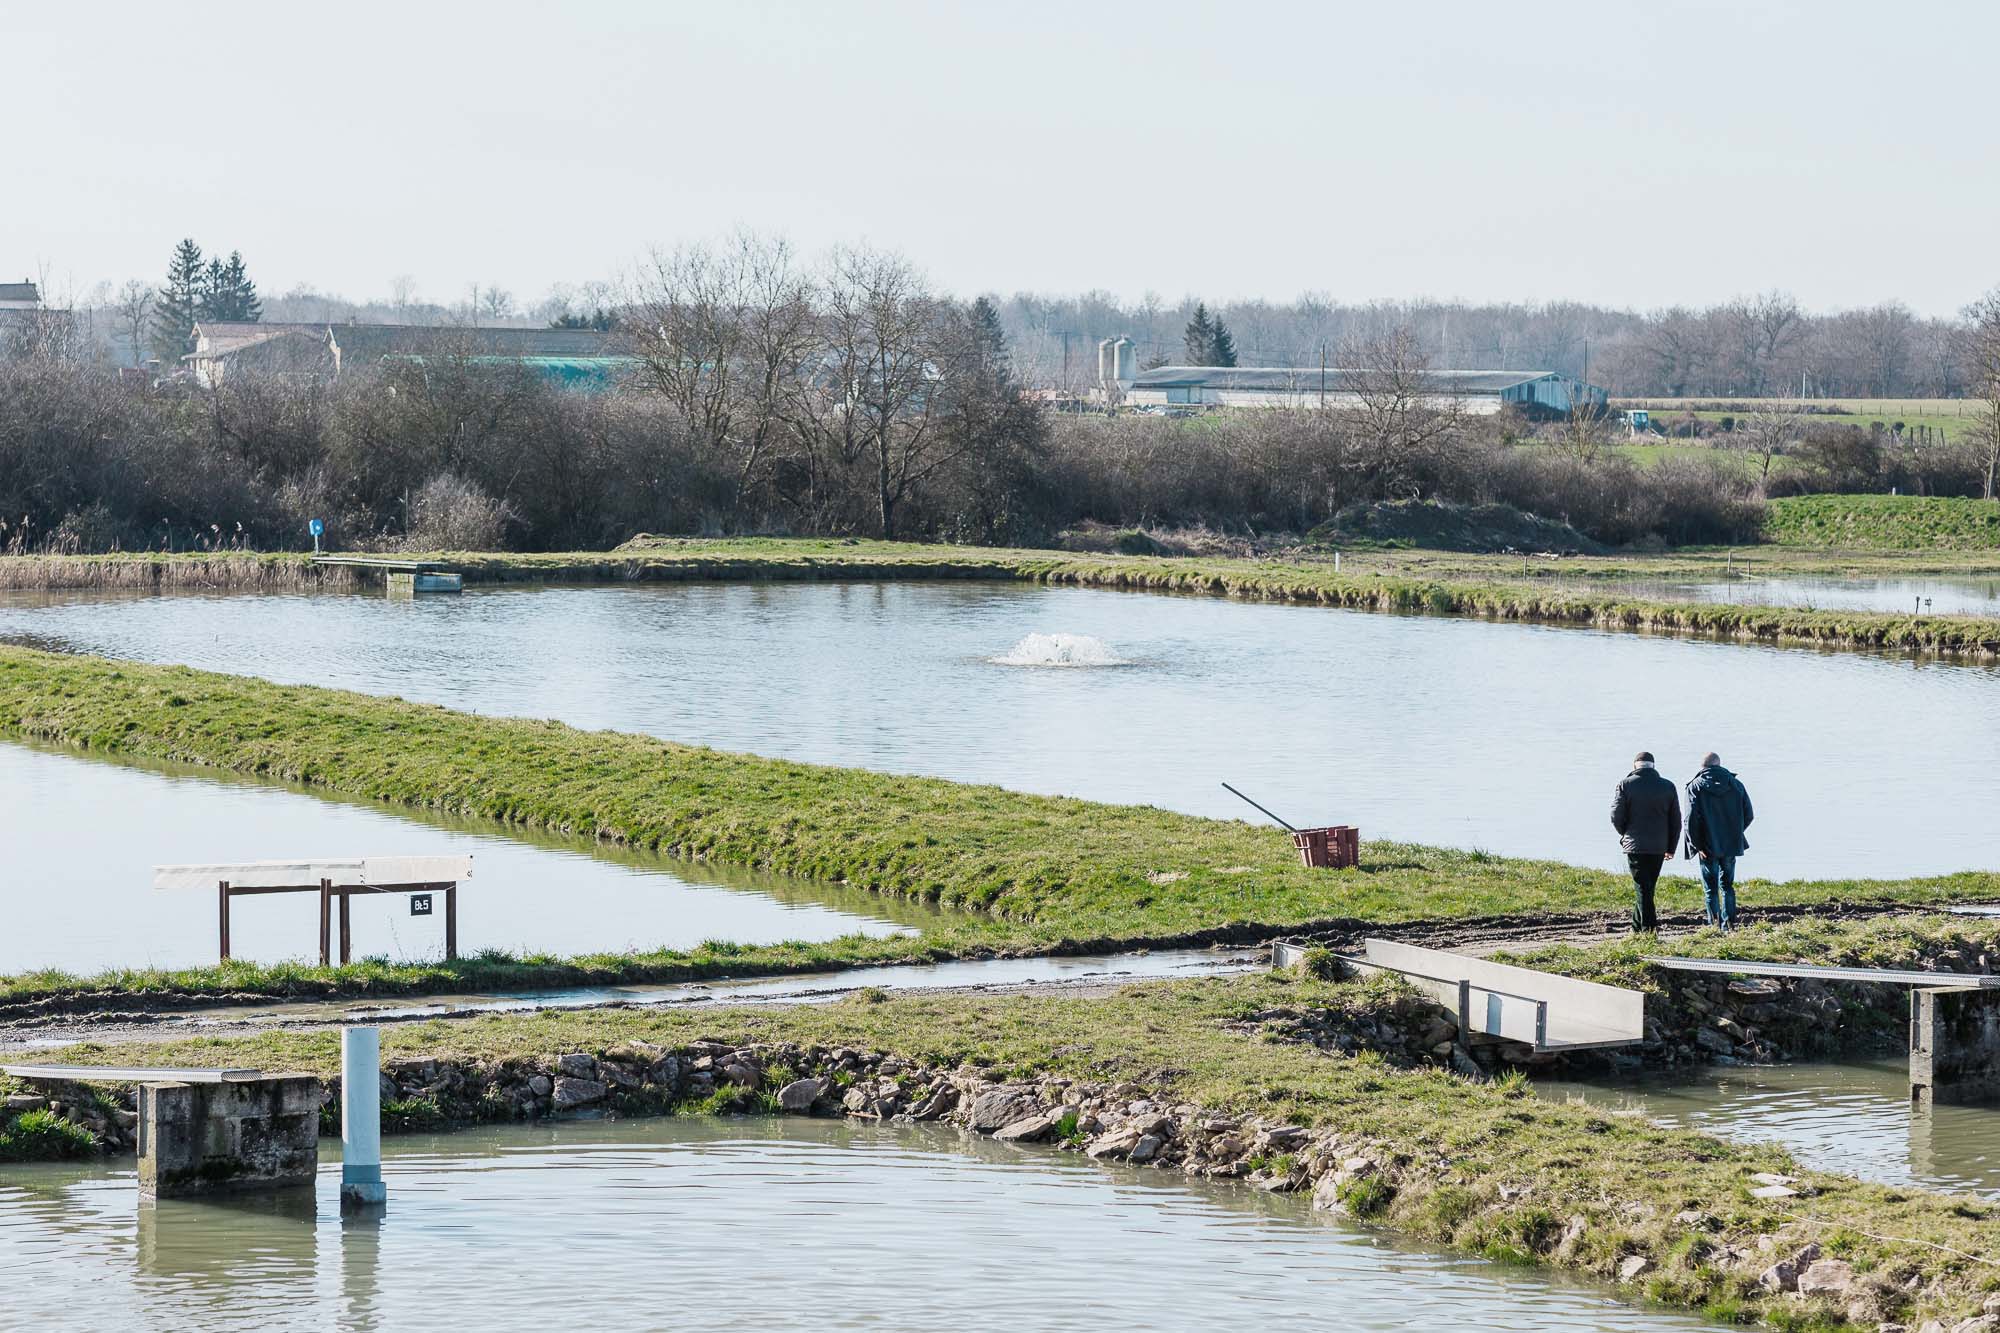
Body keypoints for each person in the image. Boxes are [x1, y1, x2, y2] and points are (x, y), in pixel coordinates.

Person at [1610, 751, 1680, 933]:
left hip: (1635, 845)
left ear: (1634, 766)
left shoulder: (1625, 785)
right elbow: (1676, 821)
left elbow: (1616, 816)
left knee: (1643, 887)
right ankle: (1636, 927)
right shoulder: (1667, 786)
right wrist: (1671, 847)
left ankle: (1649, 929)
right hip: (1659, 846)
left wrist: (1625, 833)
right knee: (1647, 887)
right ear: (1653, 766)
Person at [1684, 752, 1754, 931]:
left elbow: (1690, 819)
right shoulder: (1736, 784)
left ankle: (1714, 925)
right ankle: (1729, 925)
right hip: (1731, 843)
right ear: (1720, 764)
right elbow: (1749, 814)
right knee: (1727, 886)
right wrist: (1735, 833)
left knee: (1711, 888)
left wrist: (1697, 844)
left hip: (1707, 845)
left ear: (1703, 767)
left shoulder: (1695, 786)